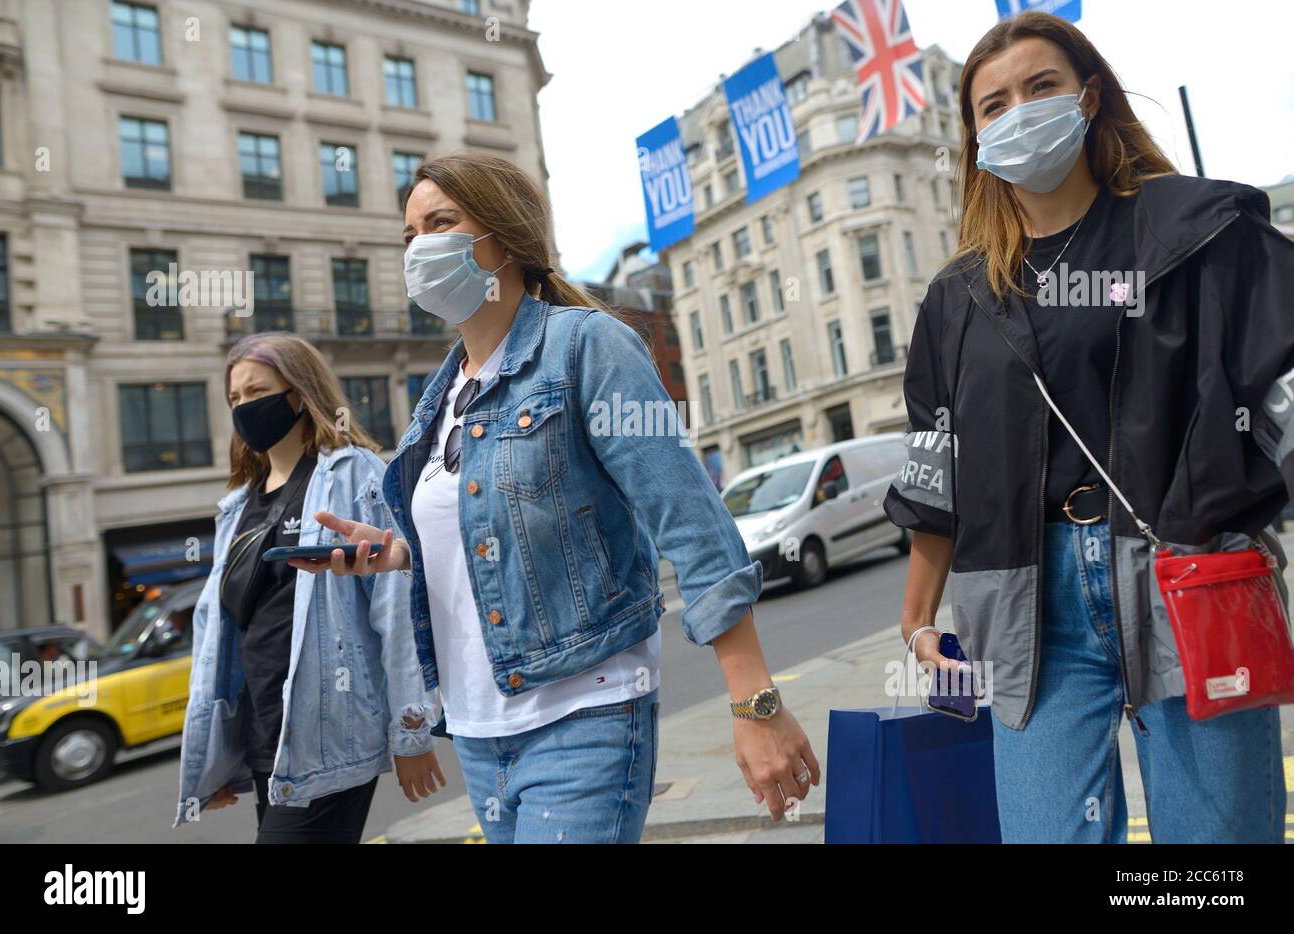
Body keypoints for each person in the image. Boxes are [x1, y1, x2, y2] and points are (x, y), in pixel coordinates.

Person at [295, 150, 820, 844]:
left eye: (442, 222)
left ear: (504, 239)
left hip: (585, 717)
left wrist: (754, 703)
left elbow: (690, 519)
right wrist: (394, 554)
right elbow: (488, 536)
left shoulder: (589, 347)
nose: (420, 247)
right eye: (409, 234)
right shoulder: (437, 399)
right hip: (480, 735)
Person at [885, 10, 1294, 844]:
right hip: (1024, 602)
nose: (1017, 112)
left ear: (1090, 96)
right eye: (991, 105)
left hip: (1187, 575)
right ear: (972, 137)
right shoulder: (955, 299)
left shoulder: (1195, 229)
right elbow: (934, 470)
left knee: (1216, 853)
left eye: (1041, 87)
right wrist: (919, 620)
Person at [174, 333, 445, 843]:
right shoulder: (236, 506)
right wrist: (216, 760)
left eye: (257, 392)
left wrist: (412, 733)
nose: (244, 407)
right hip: (265, 742)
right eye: (235, 398)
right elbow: (223, 636)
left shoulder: (352, 473)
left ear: (299, 393)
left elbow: (396, 605)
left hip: (327, 737)